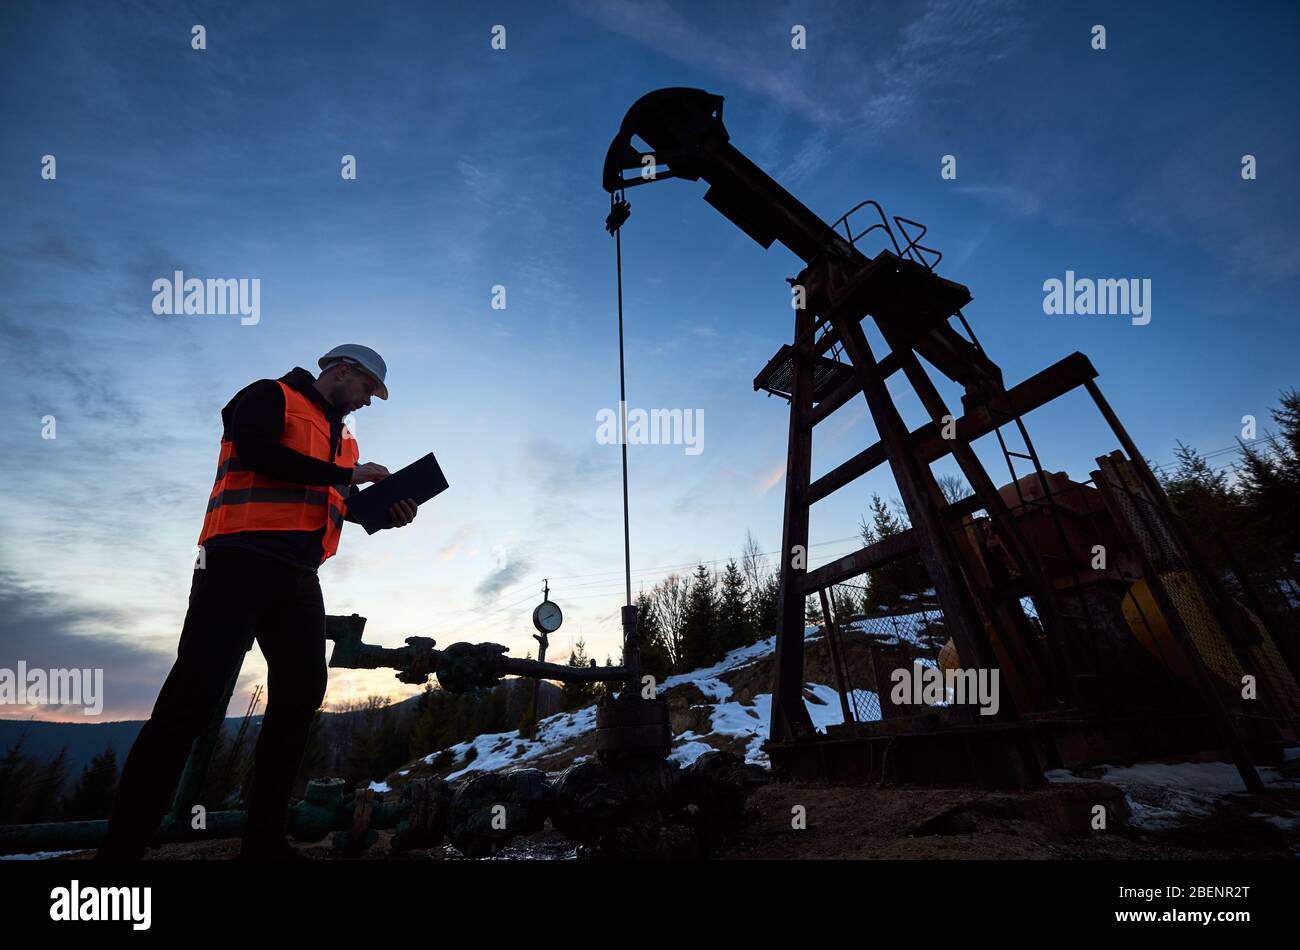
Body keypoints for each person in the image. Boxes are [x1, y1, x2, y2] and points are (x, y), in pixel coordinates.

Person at [96, 345, 417, 860]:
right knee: (191, 699)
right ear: (342, 372)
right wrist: (345, 477)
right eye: (366, 391)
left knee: (301, 693)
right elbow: (258, 453)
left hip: (297, 574)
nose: (367, 403)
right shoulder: (268, 395)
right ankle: (120, 851)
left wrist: (383, 511)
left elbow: (335, 502)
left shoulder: (346, 441)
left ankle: (263, 840)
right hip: (236, 561)